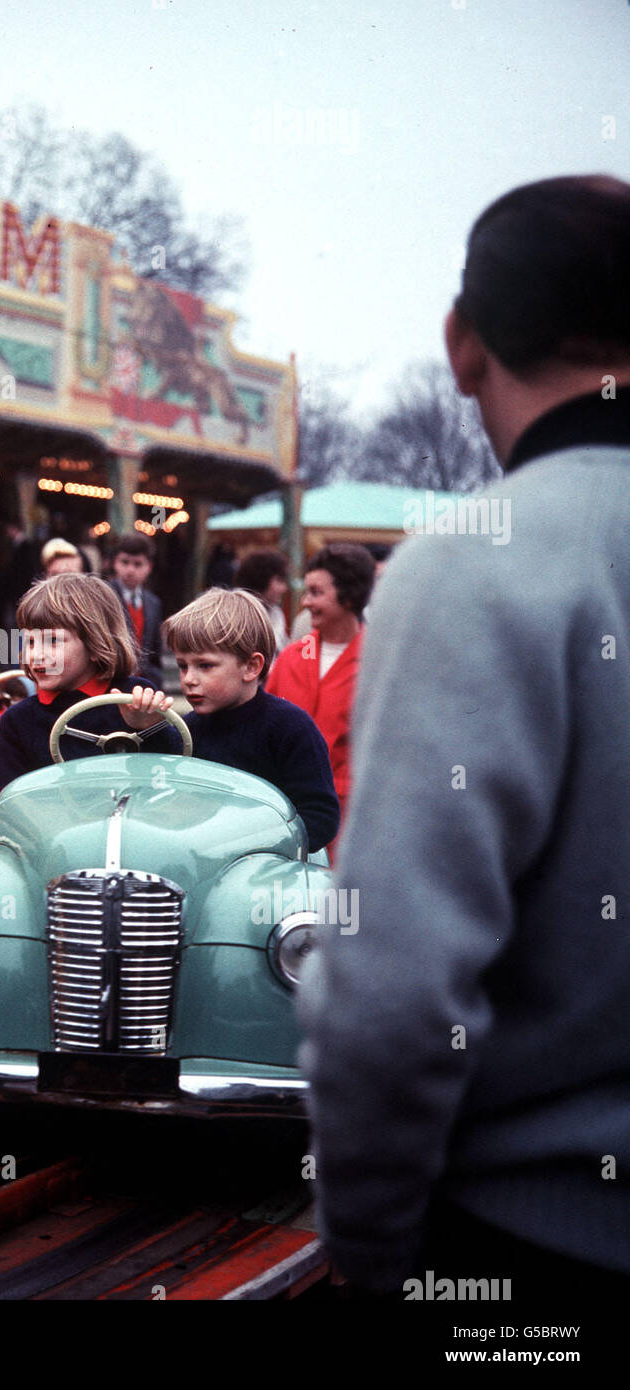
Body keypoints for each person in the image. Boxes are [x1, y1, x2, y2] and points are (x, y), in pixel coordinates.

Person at [296, 174, 630, 1300]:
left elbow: (390, 999)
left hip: (529, 1250)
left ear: (462, 343)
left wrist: (377, 1252)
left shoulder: (472, 564)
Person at [161, 588, 339, 852]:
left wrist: (259, 844)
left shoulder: (290, 727)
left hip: (265, 871)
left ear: (251, 667)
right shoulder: (186, 729)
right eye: (183, 665)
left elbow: (320, 816)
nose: (188, 679)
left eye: (205, 665)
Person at [0, 573, 177, 794]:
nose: (37, 655)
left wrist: (149, 726)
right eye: (31, 642)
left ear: (94, 644)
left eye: (52, 641)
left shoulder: (134, 697)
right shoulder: (18, 721)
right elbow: (10, 802)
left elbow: (172, 776)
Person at [265, 543, 374, 827]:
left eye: (316, 593)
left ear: (349, 596)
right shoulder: (291, 656)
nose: (304, 602)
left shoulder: (379, 663)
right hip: (283, 812)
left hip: (351, 817)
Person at [107, 532, 164, 686]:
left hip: (143, 683)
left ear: (149, 567)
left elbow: (155, 653)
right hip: (111, 682)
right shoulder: (104, 596)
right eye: (124, 562)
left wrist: (155, 683)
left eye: (138, 564)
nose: (130, 570)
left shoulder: (153, 602)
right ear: (115, 563)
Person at [233, 548, 290, 657]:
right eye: (279, 581)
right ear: (261, 578)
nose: (284, 588)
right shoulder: (233, 611)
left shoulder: (276, 613)